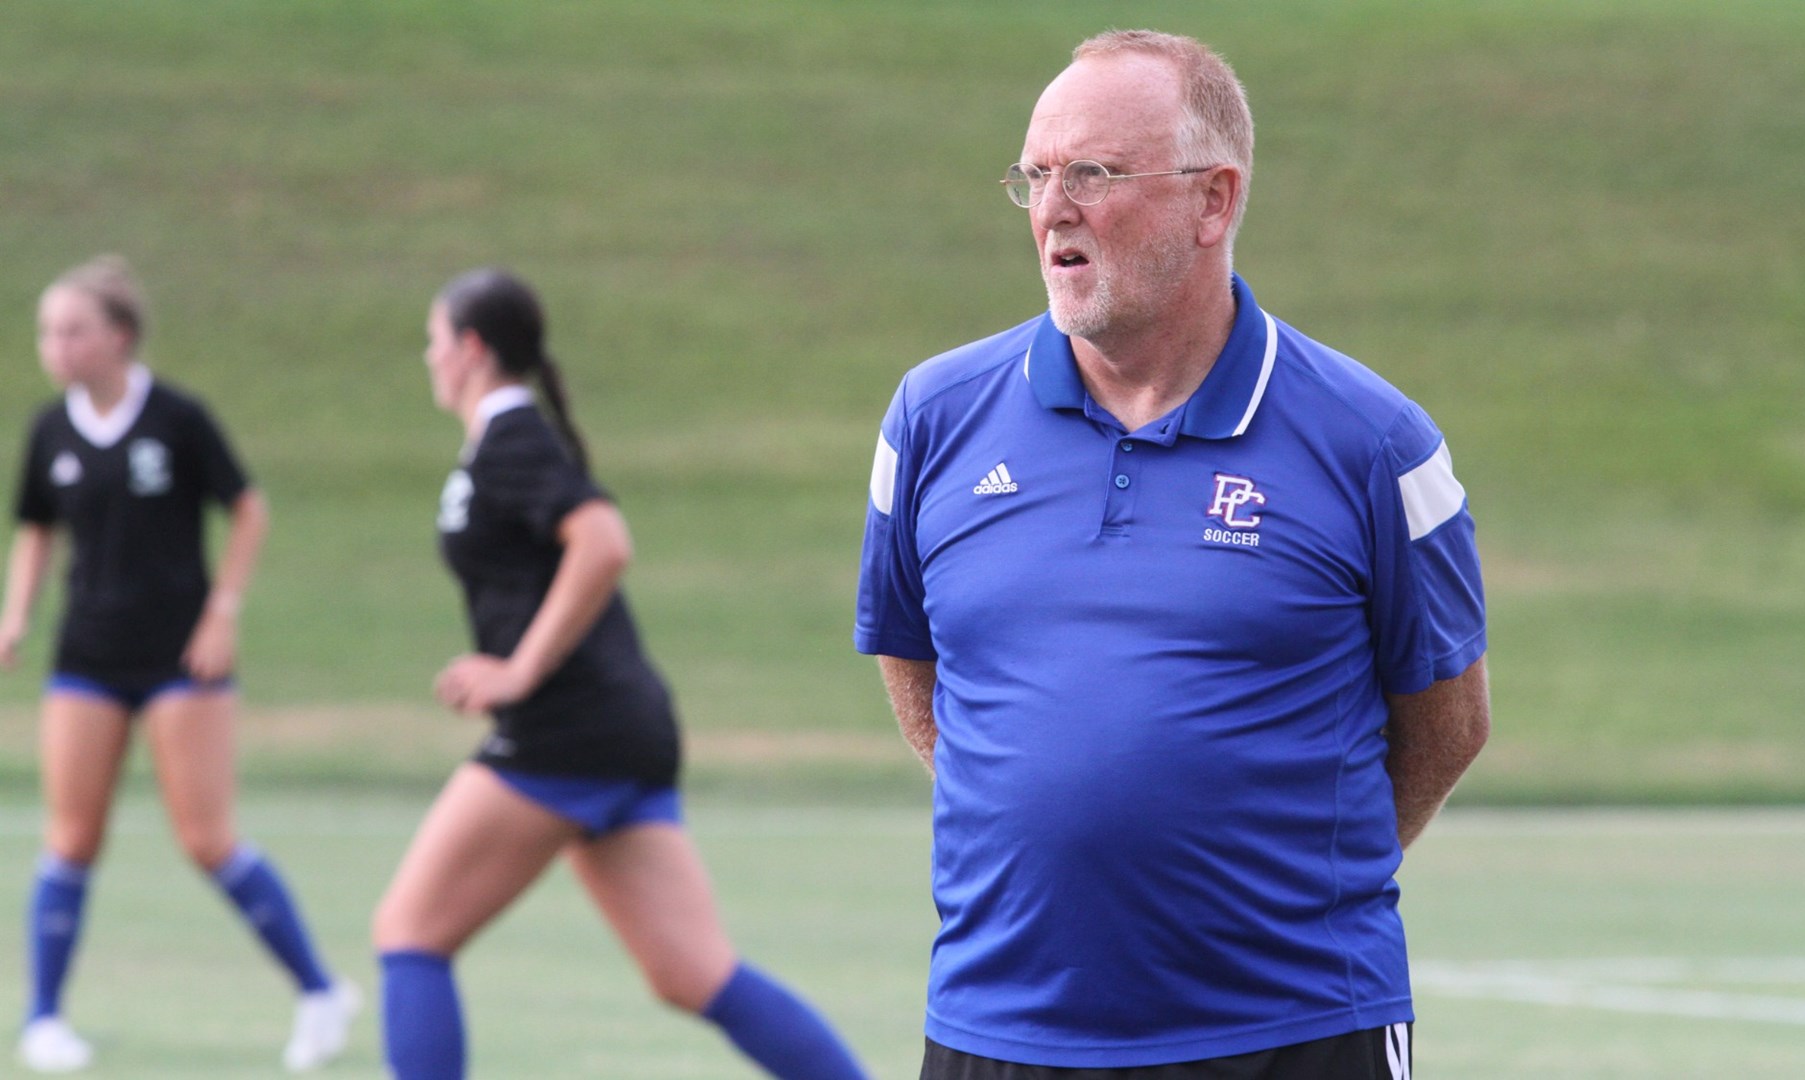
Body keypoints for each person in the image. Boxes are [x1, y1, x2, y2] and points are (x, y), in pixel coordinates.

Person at [855, 30, 1491, 1079]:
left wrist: (1276, 882)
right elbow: (917, 660)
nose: (1055, 206)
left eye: (1095, 173)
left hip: (1294, 1034)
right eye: (1036, 175)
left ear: (1214, 201)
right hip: (995, 1032)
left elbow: (1449, 725)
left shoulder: (1374, 443)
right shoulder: (933, 418)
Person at [372, 268, 870, 1080]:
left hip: (566, 731)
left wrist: (517, 673)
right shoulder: (499, 442)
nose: (426, 358)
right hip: (619, 729)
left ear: (468, 349)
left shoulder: (512, 435)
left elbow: (603, 540)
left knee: (409, 936)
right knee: (692, 975)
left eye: (432, 341)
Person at [1, 256, 360, 1073]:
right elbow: (35, 529)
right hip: (86, 653)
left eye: (72, 330)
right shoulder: (50, 430)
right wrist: (15, 613)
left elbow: (248, 508)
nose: (56, 347)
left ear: (118, 337)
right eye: (47, 332)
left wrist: (221, 612)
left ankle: (319, 992)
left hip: (177, 658)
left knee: (206, 840)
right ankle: (45, 1018)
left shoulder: (176, 418)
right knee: (70, 840)